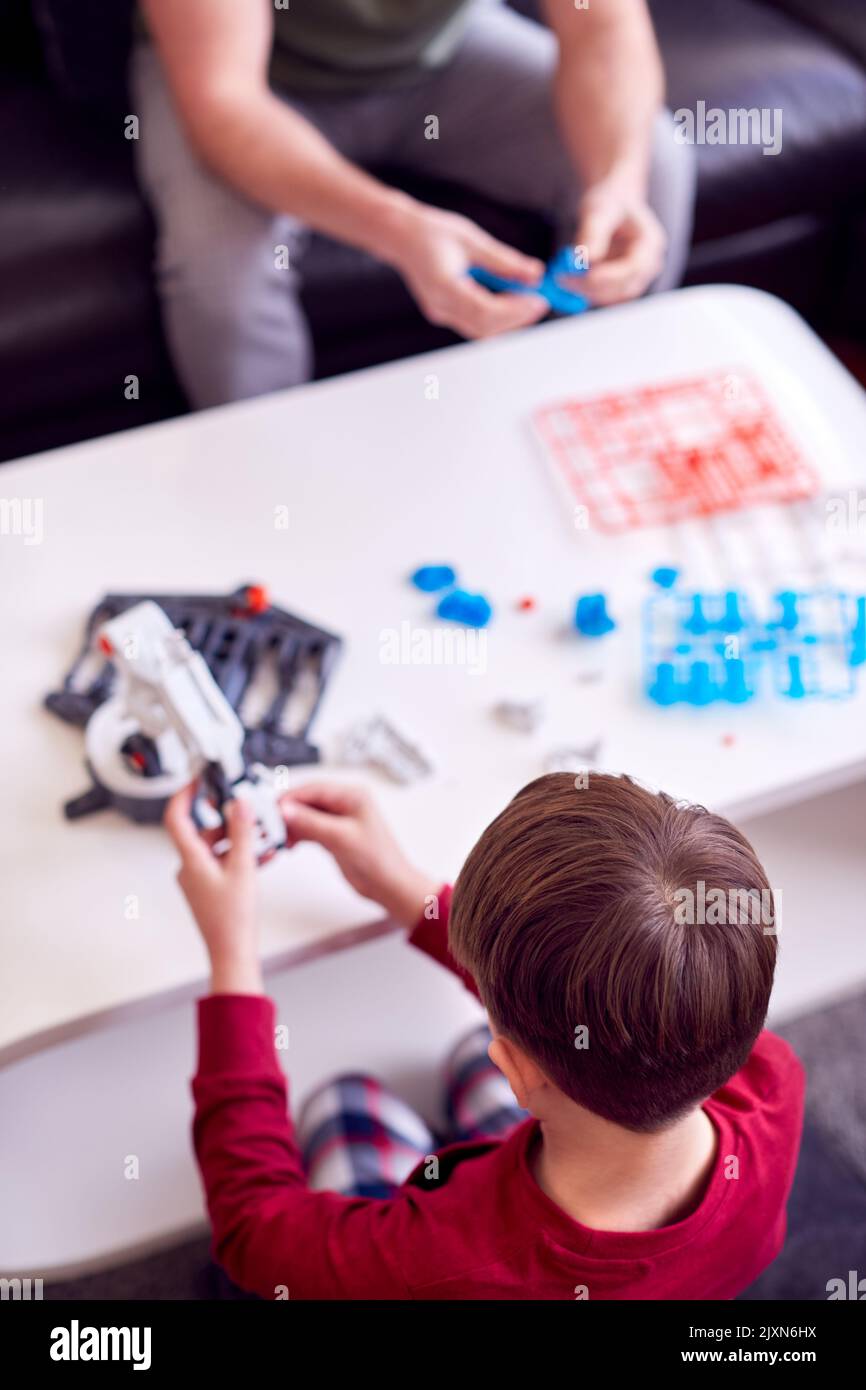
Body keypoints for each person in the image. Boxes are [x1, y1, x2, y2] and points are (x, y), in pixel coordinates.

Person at [165, 771, 804, 1300]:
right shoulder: (773, 1080)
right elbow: (579, 1002)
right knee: (476, 1056)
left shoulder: (437, 1261)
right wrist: (401, 886)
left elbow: (254, 1230)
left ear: (521, 1074)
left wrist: (232, 960)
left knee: (344, 1102)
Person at [132, 0, 696, 408]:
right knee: (222, 279)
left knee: (655, 164)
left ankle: (604, 425)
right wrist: (396, 228)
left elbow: (603, 24)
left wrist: (616, 181)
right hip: (246, 76)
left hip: (440, 58)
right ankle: (269, 502)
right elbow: (225, 99)